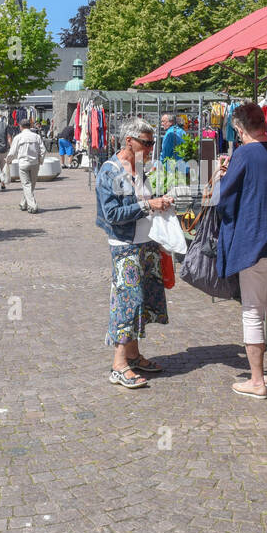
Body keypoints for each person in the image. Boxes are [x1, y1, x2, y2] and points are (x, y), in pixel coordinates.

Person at [211, 102, 267, 400]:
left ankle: (256, 381)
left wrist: (223, 176)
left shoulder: (245, 153)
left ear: (239, 129)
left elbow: (224, 199)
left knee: (253, 312)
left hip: (255, 242)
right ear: (264, 123)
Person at [95, 117, 174, 390]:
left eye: (152, 142)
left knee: (141, 301)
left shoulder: (139, 168)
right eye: (146, 142)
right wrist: (149, 205)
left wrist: (160, 202)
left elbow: (143, 201)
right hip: (125, 244)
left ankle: (134, 355)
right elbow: (113, 214)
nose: (151, 147)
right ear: (129, 140)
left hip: (146, 242)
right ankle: (119, 366)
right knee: (127, 302)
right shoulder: (111, 171)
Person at [5, 118, 45, 213]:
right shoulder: (36, 137)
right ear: (30, 126)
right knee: (31, 185)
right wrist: (40, 160)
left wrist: (8, 160)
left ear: (20, 127)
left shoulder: (18, 137)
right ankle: (24, 203)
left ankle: (32, 205)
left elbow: (12, 152)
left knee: (27, 185)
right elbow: (43, 150)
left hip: (23, 163)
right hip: (34, 163)